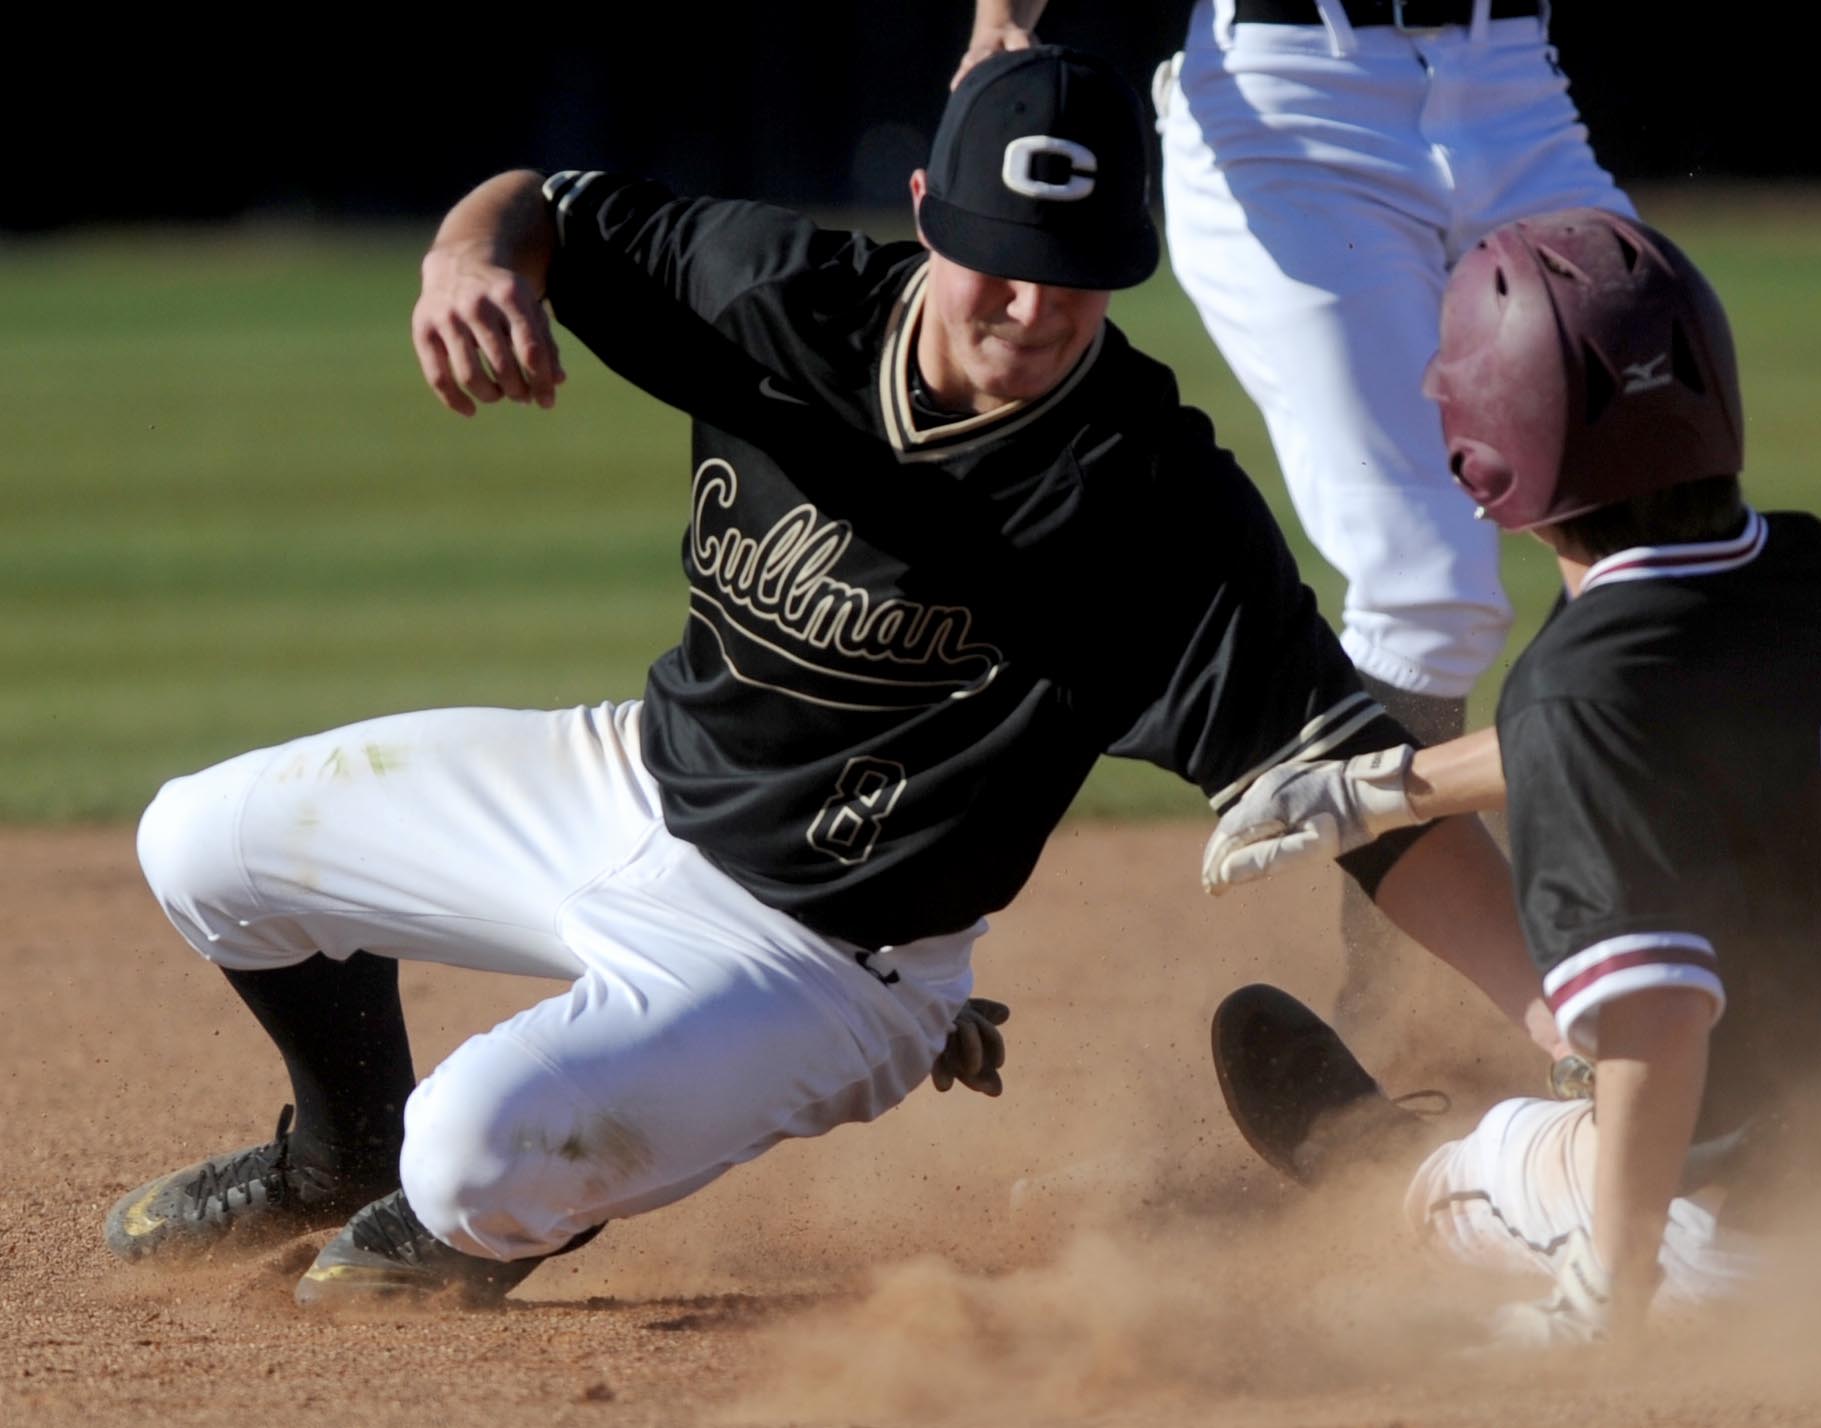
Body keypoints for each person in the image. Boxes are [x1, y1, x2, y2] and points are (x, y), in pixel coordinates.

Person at [101, 46, 1545, 1306]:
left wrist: (1563, 1017)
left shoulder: (1149, 501)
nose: (1033, 308)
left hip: (826, 961)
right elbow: (543, 205)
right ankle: (338, 1144)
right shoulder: (779, 295)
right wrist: (465, 257)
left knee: (473, 1153)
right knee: (197, 844)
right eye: (1000, 258)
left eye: (1077, 275)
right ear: (924, 212)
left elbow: (1364, 797)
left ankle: (478, 1214)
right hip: (633, 776)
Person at [1198, 210, 1821, 1344]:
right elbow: (1645, 720)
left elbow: (1657, 1022)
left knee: (1488, 1165)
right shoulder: (1814, 566)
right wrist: (1385, 789)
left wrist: (1609, 1291)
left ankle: (1386, 1171)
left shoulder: (1572, 689)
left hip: (1796, 1244)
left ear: (1487, 453)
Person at [964, 0, 1630, 743]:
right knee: (1427, 596)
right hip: (1293, 102)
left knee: (1657, 512)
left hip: (1516, 85)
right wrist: (1000, 19)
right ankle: (1386, 813)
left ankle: (1583, 799)